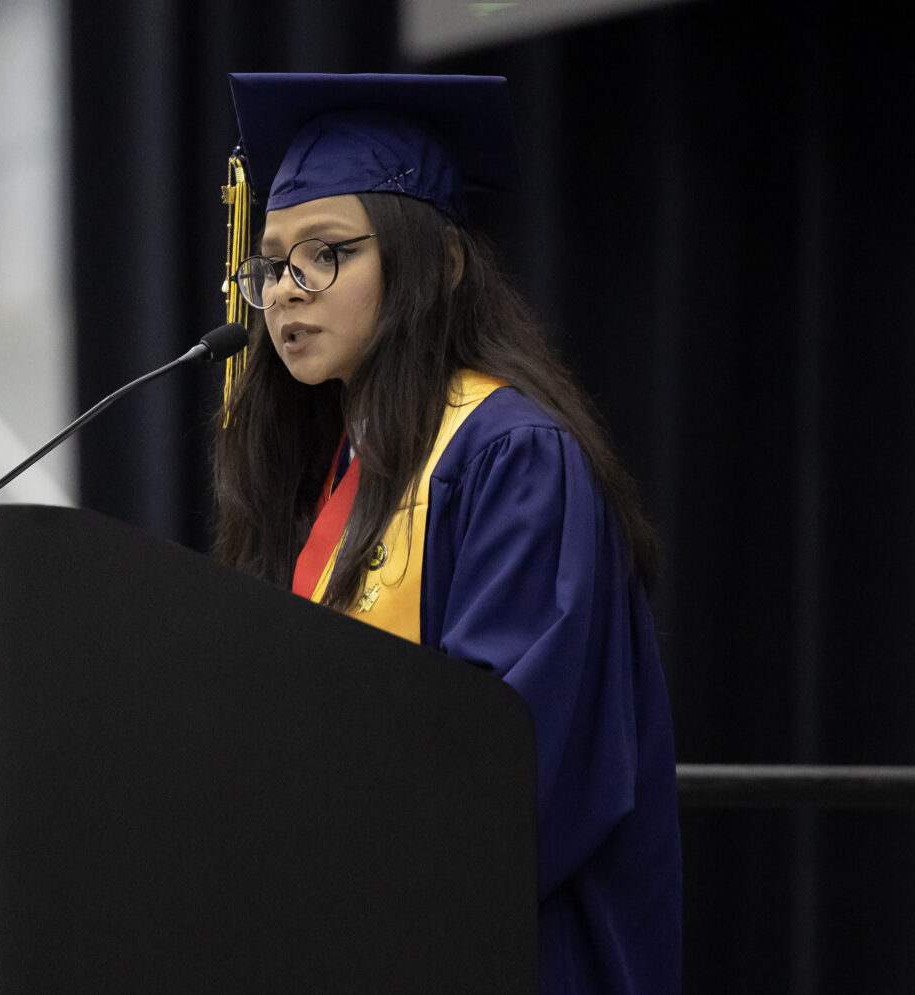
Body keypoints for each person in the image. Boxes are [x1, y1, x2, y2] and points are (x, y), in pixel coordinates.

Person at [212, 73, 681, 994]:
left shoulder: (514, 459)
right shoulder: (340, 475)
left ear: (442, 264)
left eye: (326, 254)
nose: (286, 293)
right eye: (271, 264)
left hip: (505, 953)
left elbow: (504, 764)